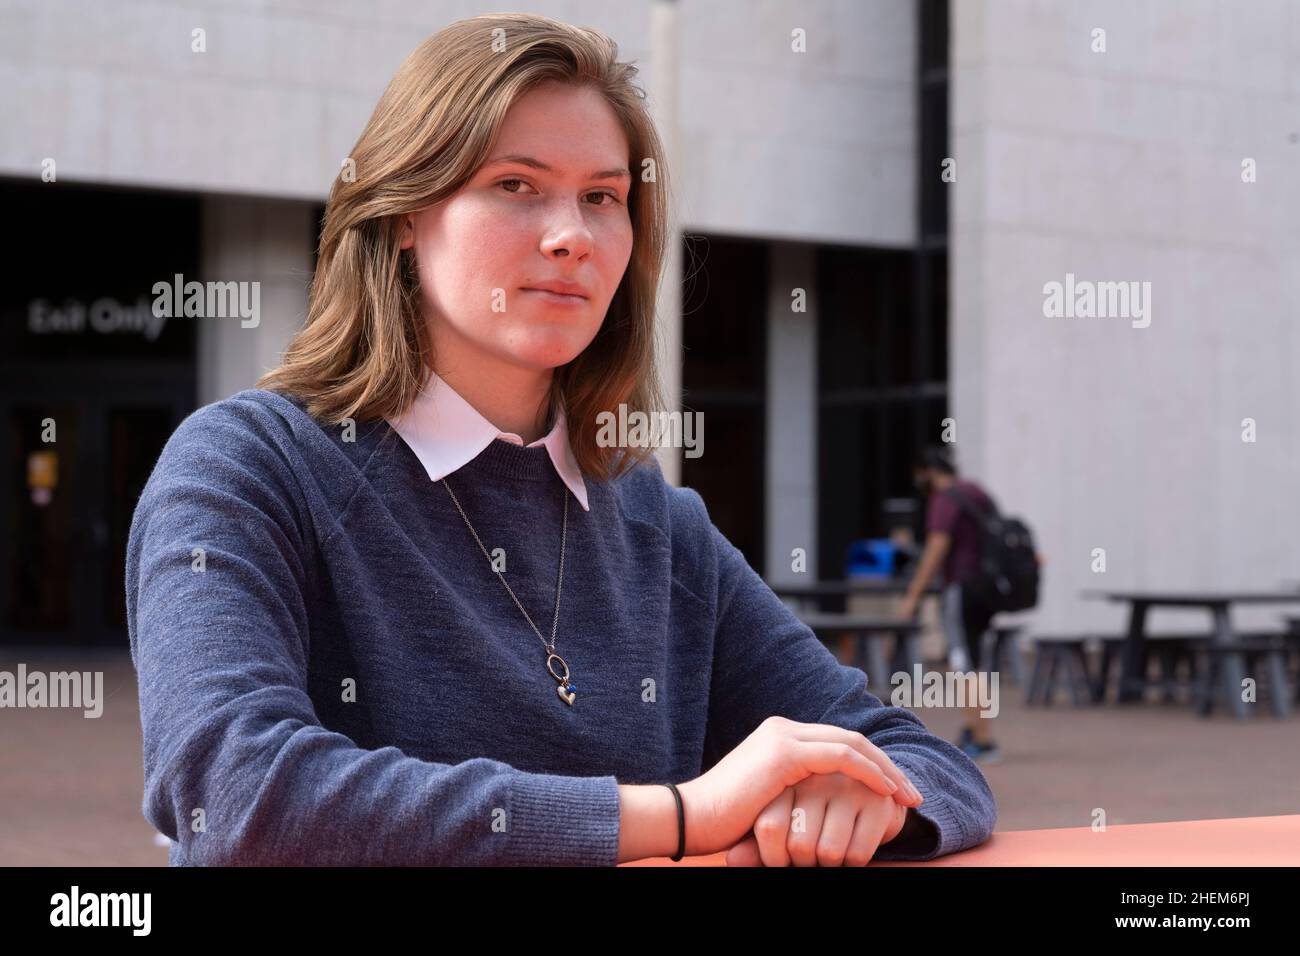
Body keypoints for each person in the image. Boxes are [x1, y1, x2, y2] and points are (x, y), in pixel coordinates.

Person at [124, 12, 995, 867]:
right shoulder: (248, 468)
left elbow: (928, 765)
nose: (571, 235)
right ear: (399, 213)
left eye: (602, 197)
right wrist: (683, 817)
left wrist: (857, 800)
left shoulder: (656, 525)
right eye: (515, 185)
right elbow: (234, 792)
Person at [898, 446, 1002, 763]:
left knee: (964, 665)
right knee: (977, 662)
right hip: (987, 589)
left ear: (929, 472)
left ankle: (983, 741)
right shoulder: (976, 492)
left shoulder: (943, 500)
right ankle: (974, 728)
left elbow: (936, 548)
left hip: (961, 588)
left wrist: (913, 596)